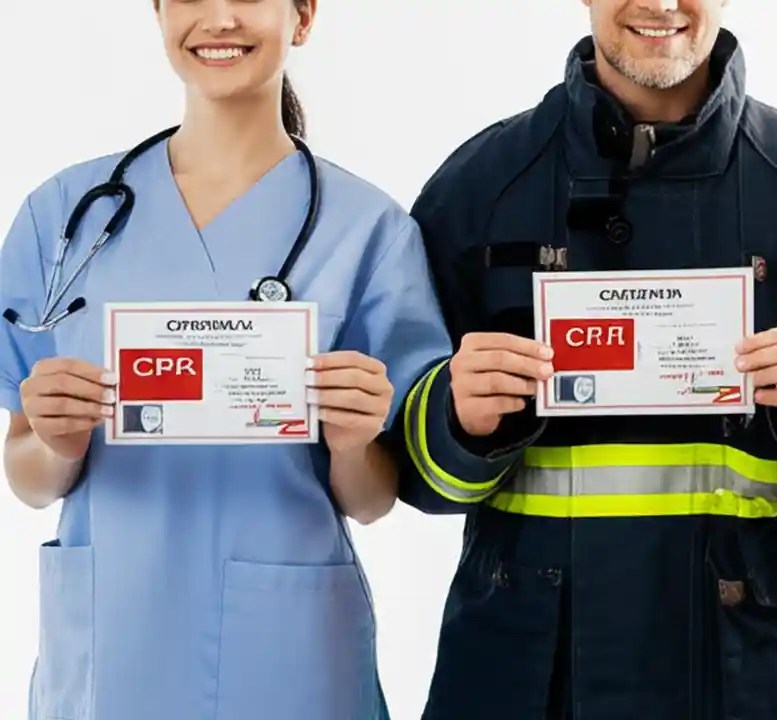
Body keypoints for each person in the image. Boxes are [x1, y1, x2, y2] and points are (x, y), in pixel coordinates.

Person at [386, 1, 777, 718]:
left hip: (761, 679)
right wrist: (455, 420)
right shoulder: (481, 189)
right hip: (525, 676)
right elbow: (388, 457)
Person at [1, 2, 450, 719]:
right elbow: (25, 475)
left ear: (303, 17)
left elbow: (371, 500)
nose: (219, 17)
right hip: (115, 632)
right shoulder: (65, 217)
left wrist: (353, 442)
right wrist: (56, 442)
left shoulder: (368, 229)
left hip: (291, 643)